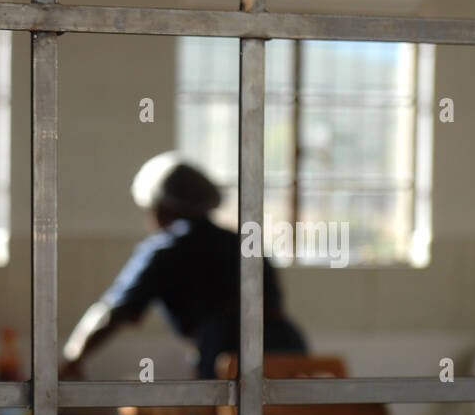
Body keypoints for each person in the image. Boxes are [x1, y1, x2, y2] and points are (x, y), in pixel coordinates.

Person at [60, 151, 307, 379]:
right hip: (289, 353)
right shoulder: (242, 244)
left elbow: (114, 312)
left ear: (161, 208)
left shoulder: (165, 250)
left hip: (226, 357)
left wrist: (72, 359)